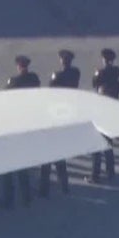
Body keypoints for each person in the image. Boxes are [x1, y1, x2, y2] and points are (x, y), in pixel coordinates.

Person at [0, 56, 37, 208]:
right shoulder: (34, 79)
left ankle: (9, 197)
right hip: (29, 123)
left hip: (15, 124)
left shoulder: (13, 82)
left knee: (9, 164)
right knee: (24, 162)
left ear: (19, 67)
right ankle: (26, 194)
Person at [40, 50, 77, 197]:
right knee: (60, 154)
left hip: (56, 114)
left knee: (48, 156)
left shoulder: (57, 76)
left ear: (63, 61)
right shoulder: (75, 73)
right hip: (68, 112)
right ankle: (65, 184)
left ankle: (44, 188)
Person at [89, 49, 119, 182]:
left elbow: (94, 82)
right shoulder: (116, 71)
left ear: (104, 59)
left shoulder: (100, 73)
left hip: (101, 110)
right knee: (108, 142)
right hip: (112, 111)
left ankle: (95, 175)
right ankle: (110, 170)